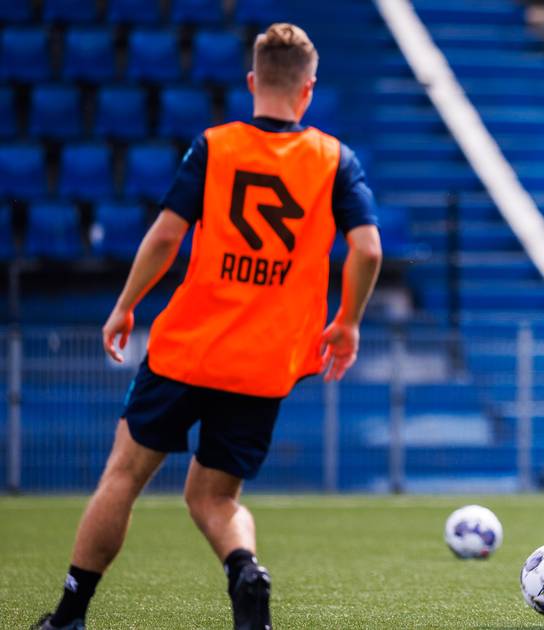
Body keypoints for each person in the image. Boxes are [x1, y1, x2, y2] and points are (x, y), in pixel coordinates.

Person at [34, 23, 383, 630]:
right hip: (263, 365)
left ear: (253, 82)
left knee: (123, 476)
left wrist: (125, 303)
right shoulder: (333, 159)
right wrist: (347, 321)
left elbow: (167, 234)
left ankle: (69, 616)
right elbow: (369, 250)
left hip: (188, 350)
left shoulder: (216, 145)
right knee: (216, 498)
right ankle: (245, 569)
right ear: (308, 91)